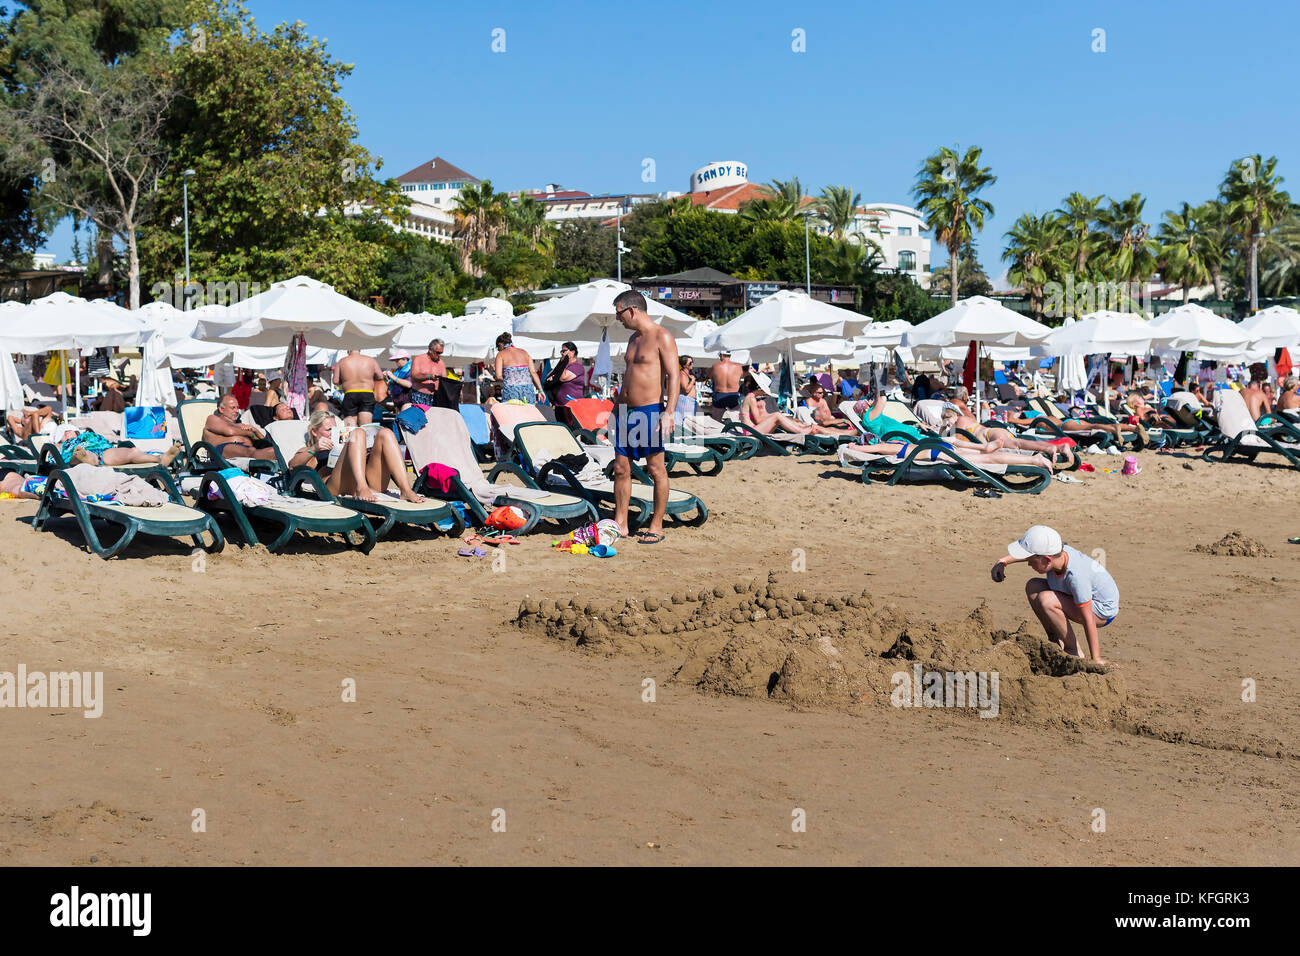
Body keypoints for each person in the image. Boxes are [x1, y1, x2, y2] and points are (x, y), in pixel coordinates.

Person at [991, 525, 1118, 667]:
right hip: (1072, 595)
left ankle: (1073, 651)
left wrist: (1097, 658)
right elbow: (1033, 554)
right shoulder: (1057, 555)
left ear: (1046, 560)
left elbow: (1088, 618)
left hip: (1101, 611)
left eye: (1031, 561)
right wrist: (1004, 561)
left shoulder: (1076, 576)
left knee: (1046, 600)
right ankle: (1056, 641)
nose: (1028, 564)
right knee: (1033, 586)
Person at [610, 290, 677, 544]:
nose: (618, 319)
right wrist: (614, 412)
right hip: (625, 411)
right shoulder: (632, 340)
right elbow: (628, 378)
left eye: (619, 313)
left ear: (632, 310)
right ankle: (621, 522)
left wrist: (669, 412)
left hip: (650, 411)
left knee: (656, 469)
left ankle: (657, 524)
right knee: (620, 468)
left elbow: (674, 377)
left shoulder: (662, 336)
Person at [288, 410, 425, 504]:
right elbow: (293, 465)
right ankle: (361, 487)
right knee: (358, 433)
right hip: (336, 486)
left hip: (370, 482)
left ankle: (406, 490)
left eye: (335, 429)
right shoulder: (310, 450)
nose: (333, 433)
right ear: (314, 431)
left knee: (386, 433)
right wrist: (314, 448)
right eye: (328, 430)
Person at [202, 394, 278, 461]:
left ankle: (280, 453)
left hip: (246, 450)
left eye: (237, 407)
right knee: (251, 452)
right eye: (233, 408)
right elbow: (230, 431)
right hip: (220, 451)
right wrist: (250, 433)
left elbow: (260, 438)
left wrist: (254, 430)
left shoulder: (239, 424)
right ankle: (279, 454)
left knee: (269, 446)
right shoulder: (212, 419)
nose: (237, 411)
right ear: (221, 409)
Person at [58, 428, 182, 468]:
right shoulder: (63, 446)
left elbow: (103, 442)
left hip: (104, 451)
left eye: (68, 431)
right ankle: (86, 457)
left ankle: (160, 458)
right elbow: (51, 457)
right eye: (63, 434)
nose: (66, 434)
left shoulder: (88, 435)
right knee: (79, 455)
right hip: (73, 458)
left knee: (132, 452)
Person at [334, 349, 384, 424]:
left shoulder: (342, 361)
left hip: (350, 393)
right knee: (366, 427)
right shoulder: (370, 360)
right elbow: (380, 376)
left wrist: (345, 380)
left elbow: (335, 381)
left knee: (351, 427)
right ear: (360, 350)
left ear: (348, 350)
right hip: (367, 392)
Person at [493, 332, 543, 404]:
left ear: (500, 344)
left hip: (511, 389)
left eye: (498, 347)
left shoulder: (501, 354)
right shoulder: (524, 352)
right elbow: (533, 372)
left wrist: (509, 378)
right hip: (527, 389)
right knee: (529, 413)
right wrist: (540, 390)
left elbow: (498, 376)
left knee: (512, 413)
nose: (498, 350)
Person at [544, 342, 585, 406]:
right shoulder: (563, 365)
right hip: (559, 404)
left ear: (573, 352)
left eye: (565, 351)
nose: (562, 353)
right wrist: (561, 362)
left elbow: (563, 377)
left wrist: (563, 361)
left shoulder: (577, 366)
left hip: (573, 404)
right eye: (561, 351)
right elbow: (548, 375)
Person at [409, 339, 447, 406]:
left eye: (441, 353)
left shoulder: (441, 363)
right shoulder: (418, 359)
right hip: (419, 395)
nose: (440, 355)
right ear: (430, 350)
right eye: (438, 352)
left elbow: (445, 381)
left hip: (435, 397)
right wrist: (429, 377)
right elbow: (414, 376)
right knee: (419, 416)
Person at [675, 356, 699, 423]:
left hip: (689, 401)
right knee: (685, 423)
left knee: (689, 424)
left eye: (692, 362)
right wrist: (693, 380)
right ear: (684, 365)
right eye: (690, 363)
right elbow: (686, 390)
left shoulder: (688, 374)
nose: (692, 364)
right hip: (685, 401)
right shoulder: (682, 374)